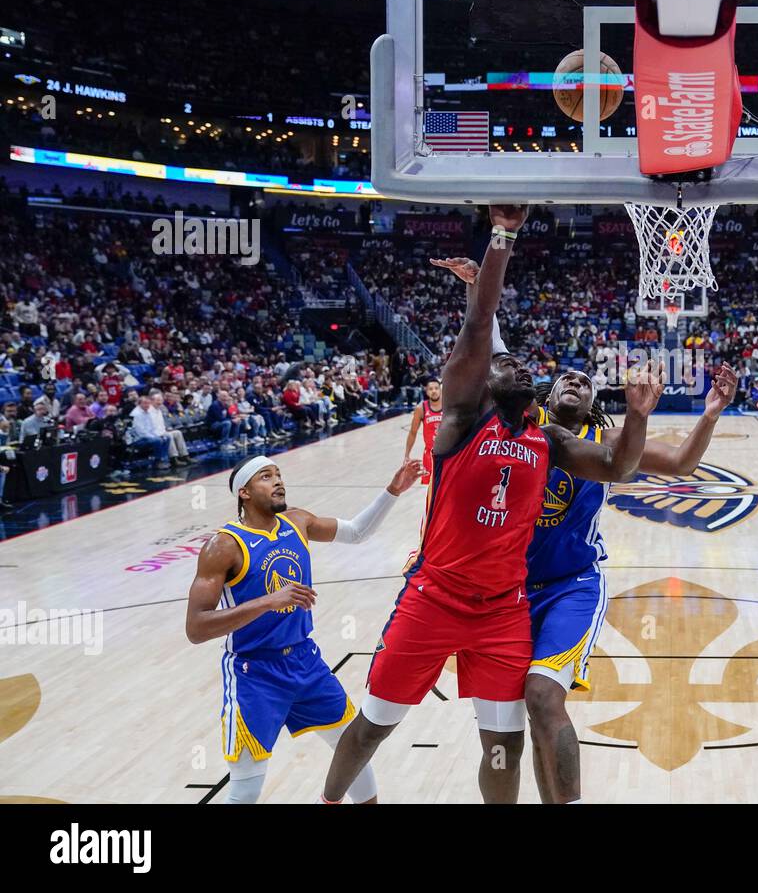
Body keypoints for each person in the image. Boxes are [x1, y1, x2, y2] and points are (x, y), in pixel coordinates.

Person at [321, 205, 660, 805]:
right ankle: (328, 801)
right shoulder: (457, 423)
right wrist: (502, 237)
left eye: (520, 364)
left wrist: (634, 418)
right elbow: (480, 327)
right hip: (434, 596)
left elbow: (617, 468)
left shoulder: (548, 439)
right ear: (478, 382)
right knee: (376, 722)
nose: (512, 364)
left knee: (501, 745)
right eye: (501, 364)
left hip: (503, 611)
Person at [432, 254, 738, 803]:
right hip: (500, 591)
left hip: (570, 585)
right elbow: (493, 352)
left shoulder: (606, 442)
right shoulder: (520, 425)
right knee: (500, 737)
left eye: (586, 381)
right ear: (543, 398)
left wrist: (710, 414)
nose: (575, 379)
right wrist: (480, 291)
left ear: (596, 404)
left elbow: (681, 465)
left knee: (544, 696)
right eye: (565, 378)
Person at [184, 454, 423, 803]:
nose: (278, 481)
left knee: (353, 750)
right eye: (266, 477)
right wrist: (267, 601)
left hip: (305, 661)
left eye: (279, 474)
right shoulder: (223, 546)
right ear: (245, 493)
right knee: (247, 784)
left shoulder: (297, 520)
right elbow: (196, 627)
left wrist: (392, 491)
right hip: (255, 671)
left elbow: (357, 532)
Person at [403, 377, 443, 484]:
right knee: (431, 490)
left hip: (447, 453)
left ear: (440, 389)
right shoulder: (421, 408)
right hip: (430, 455)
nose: (434, 391)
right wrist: (407, 455)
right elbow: (413, 432)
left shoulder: (448, 405)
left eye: (436, 388)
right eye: (431, 389)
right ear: (426, 391)